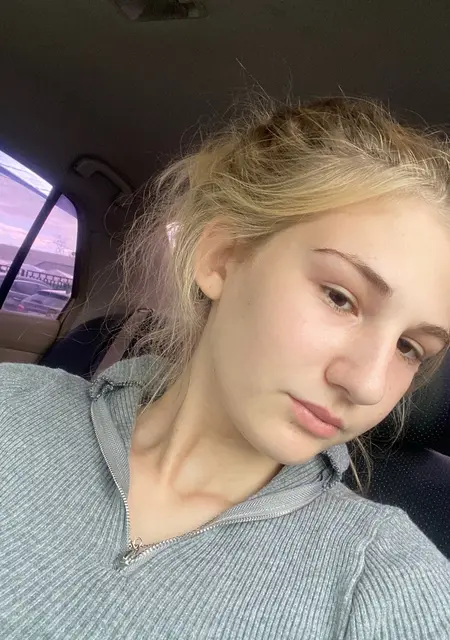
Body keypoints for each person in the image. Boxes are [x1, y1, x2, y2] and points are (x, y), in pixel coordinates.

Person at [1, 96, 450, 639]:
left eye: (410, 348)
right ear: (221, 258)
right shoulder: (12, 404)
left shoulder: (381, 577)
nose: (368, 384)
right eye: (340, 297)